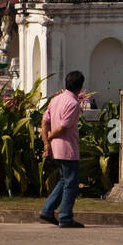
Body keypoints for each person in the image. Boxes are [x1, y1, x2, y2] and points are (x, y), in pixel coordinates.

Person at [38, 71, 85, 228]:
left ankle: (47, 210)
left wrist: (46, 142)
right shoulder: (73, 103)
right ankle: (65, 217)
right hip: (68, 148)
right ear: (80, 87)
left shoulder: (56, 99)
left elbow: (44, 121)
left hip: (56, 148)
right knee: (71, 183)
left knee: (64, 180)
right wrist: (50, 137)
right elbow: (63, 128)